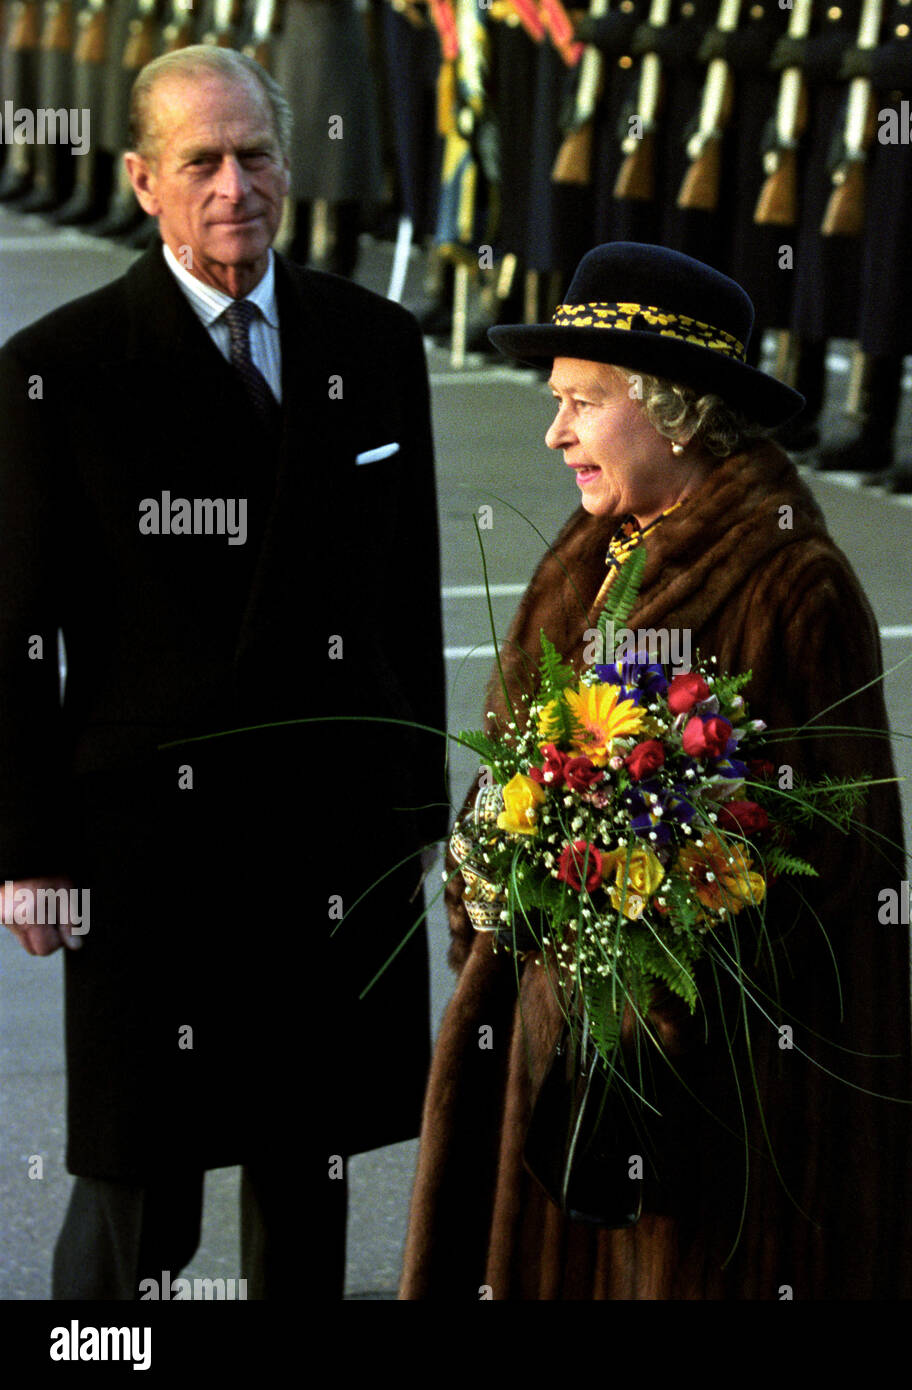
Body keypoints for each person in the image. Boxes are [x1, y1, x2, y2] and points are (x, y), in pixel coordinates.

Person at [0, 45, 448, 1299]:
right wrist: (32, 848)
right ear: (143, 180)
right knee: (138, 1182)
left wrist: (420, 808)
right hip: (154, 847)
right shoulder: (65, 370)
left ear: (288, 165)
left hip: (332, 831)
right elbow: (21, 628)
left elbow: (404, 593)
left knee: (308, 1164)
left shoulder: (374, 341)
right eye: (201, 161)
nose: (233, 186)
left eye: (254, 155)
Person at [399, 242, 912, 1300]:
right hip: (567, 1072)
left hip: (710, 1108)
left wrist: (654, 919)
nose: (555, 433)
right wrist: (498, 860)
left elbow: (842, 855)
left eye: (582, 403)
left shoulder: (790, 582)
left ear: (674, 408)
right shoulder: (596, 547)